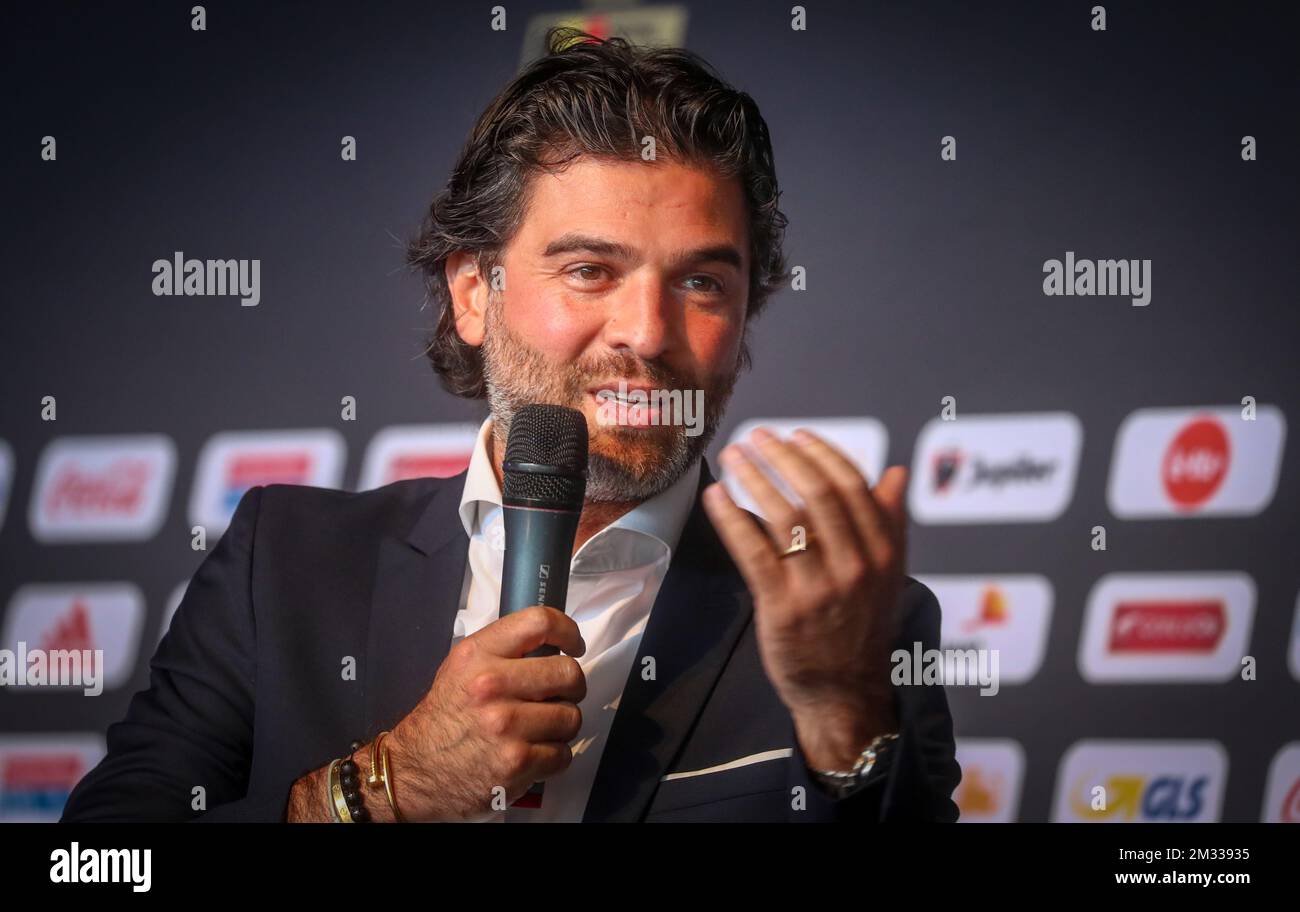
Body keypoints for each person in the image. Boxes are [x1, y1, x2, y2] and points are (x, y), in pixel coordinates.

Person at [61, 27, 960, 823]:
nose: (647, 334)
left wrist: (844, 720)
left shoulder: (851, 626)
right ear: (472, 294)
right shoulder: (285, 563)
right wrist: (388, 789)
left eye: (701, 282)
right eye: (588, 270)